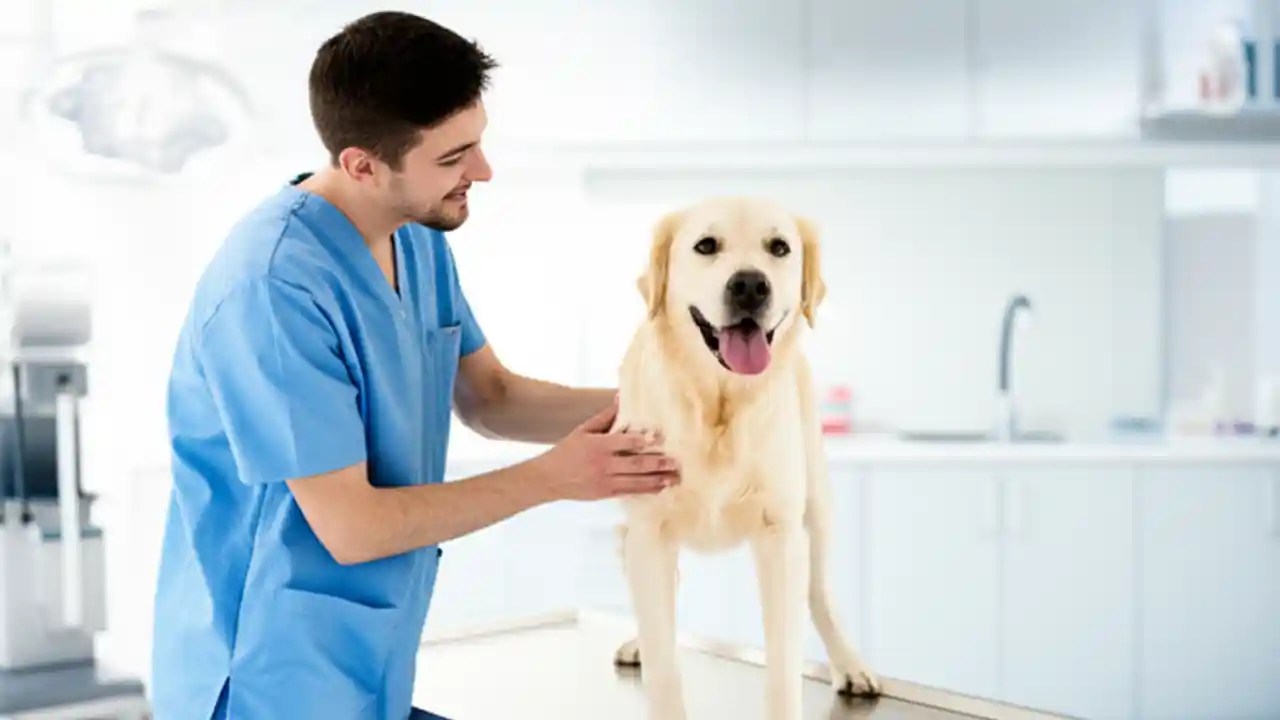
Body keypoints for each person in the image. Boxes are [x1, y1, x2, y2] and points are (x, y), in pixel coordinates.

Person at [149, 11, 679, 720]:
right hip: (266, 676)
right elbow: (353, 527)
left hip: (366, 663)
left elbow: (490, 397)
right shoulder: (272, 288)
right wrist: (556, 477)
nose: (483, 171)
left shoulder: (416, 235)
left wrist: (672, 406)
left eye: (479, 142)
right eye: (455, 156)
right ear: (363, 164)